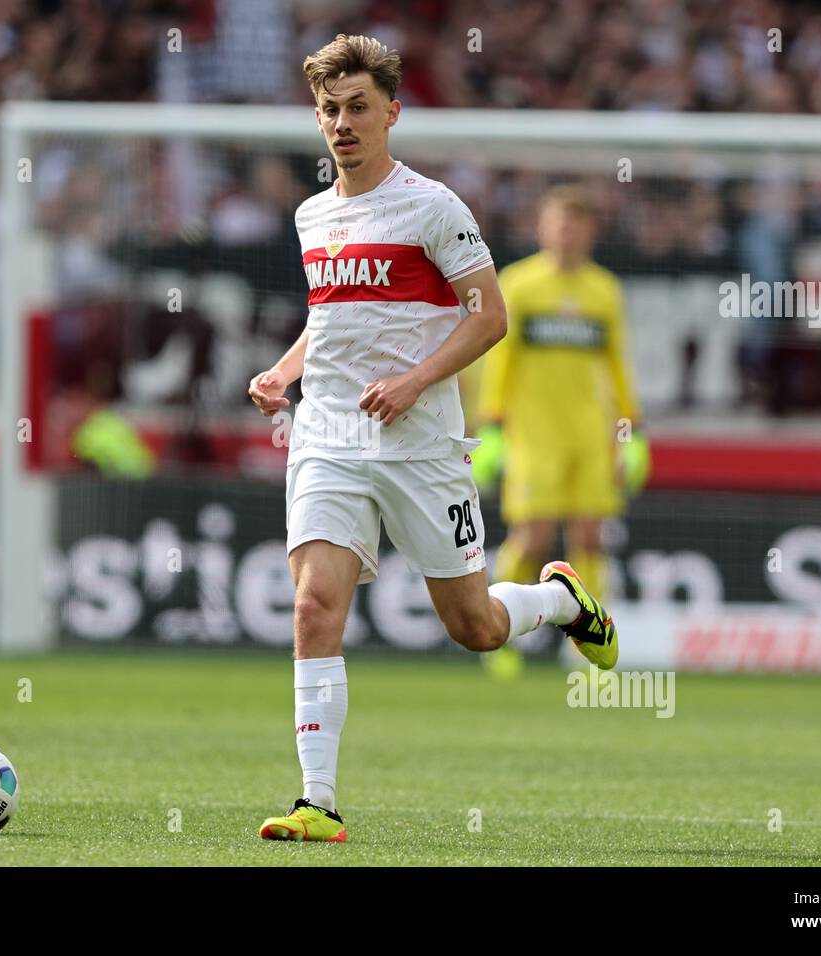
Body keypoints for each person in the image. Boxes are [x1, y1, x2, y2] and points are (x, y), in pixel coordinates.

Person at [246, 35, 618, 844]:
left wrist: (416, 381)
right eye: (329, 110)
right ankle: (319, 801)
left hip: (420, 444)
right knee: (314, 605)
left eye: (357, 109)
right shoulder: (313, 215)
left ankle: (559, 598)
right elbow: (332, 319)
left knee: (474, 627)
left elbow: (491, 315)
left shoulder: (434, 208)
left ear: (391, 113)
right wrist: (283, 371)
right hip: (329, 436)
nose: (341, 124)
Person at [474, 186, 647, 650]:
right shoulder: (519, 284)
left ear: (591, 231)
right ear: (542, 228)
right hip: (534, 436)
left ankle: (588, 644)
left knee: (591, 537)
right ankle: (499, 633)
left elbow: (617, 365)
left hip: (592, 435)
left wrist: (634, 431)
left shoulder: (604, 290)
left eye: (576, 224)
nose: (567, 233)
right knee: (533, 539)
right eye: (558, 223)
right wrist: (491, 428)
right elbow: (498, 360)